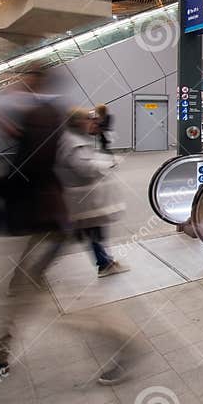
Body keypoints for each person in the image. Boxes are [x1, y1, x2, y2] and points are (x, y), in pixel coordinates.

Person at [0, 73, 138, 384]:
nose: (7, 84)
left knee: (36, 297)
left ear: (32, 82)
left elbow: (26, 173)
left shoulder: (42, 117)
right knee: (15, 290)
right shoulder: (40, 116)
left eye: (16, 78)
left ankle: (123, 339)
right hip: (39, 221)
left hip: (42, 222)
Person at [59, 108, 128, 277]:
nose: (94, 123)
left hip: (83, 198)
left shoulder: (76, 138)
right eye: (90, 120)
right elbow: (85, 168)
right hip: (80, 198)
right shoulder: (73, 141)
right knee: (85, 231)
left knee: (94, 229)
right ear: (78, 122)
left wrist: (105, 160)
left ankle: (105, 261)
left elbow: (87, 159)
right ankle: (104, 263)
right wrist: (108, 163)